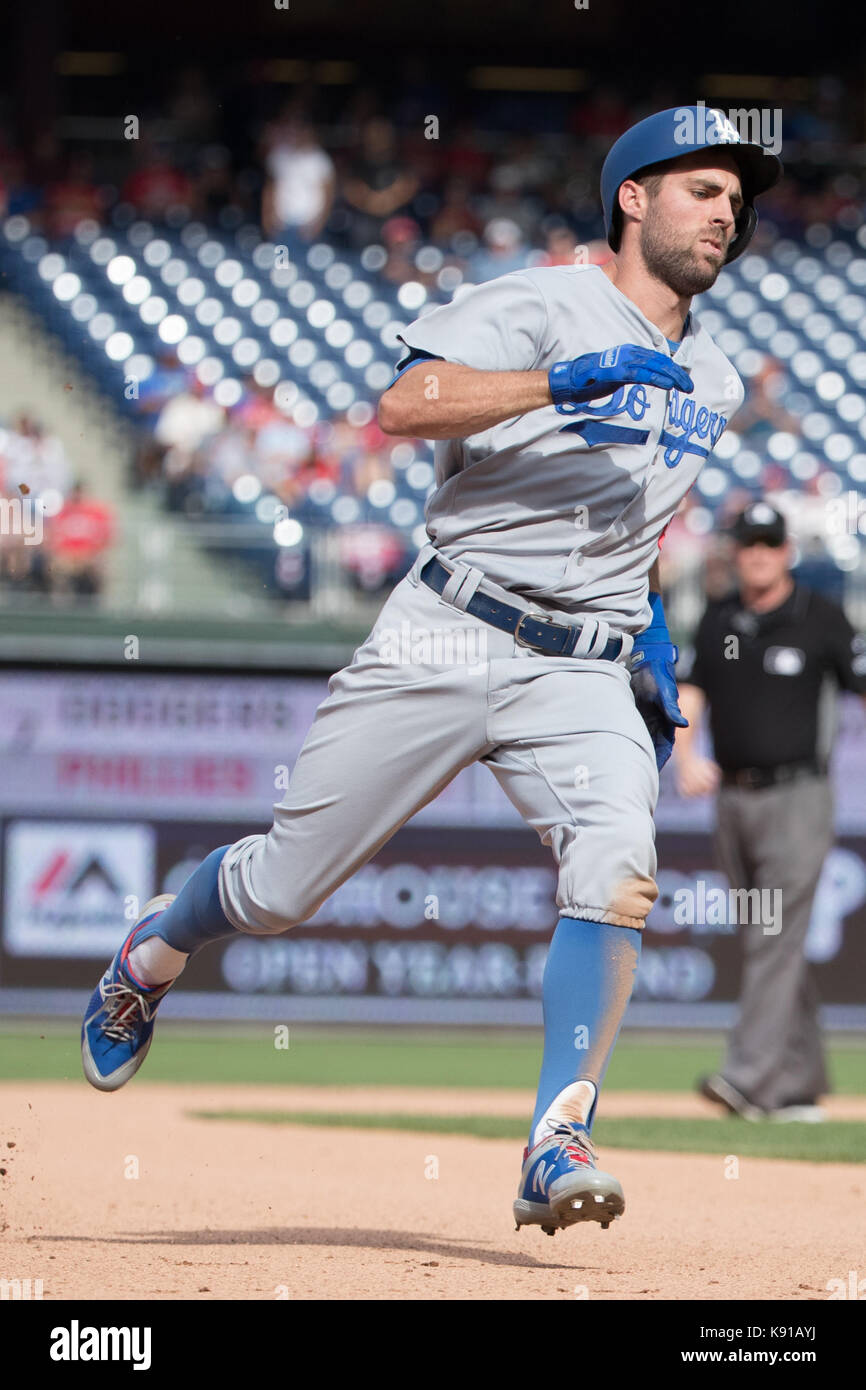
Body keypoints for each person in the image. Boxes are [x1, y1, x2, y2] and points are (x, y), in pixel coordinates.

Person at [81, 107, 780, 1237]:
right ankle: (154, 947)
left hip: (583, 665)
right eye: (700, 187)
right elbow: (403, 405)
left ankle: (556, 1138)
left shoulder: (711, 373)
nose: (725, 211)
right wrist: (557, 384)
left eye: (736, 200)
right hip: (448, 628)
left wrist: (649, 640)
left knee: (616, 866)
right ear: (631, 197)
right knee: (282, 889)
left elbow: (645, 523)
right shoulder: (539, 302)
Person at [674, 502, 866, 1121]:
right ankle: (800, 1084)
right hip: (733, 797)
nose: (757, 553)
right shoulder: (720, 616)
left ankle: (749, 1079)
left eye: (768, 543)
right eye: (748, 543)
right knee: (766, 935)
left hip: (798, 798)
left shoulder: (821, 617)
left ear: (786, 551)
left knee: (774, 934)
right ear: (735, 551)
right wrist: (684, 756)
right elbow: (695, 687)